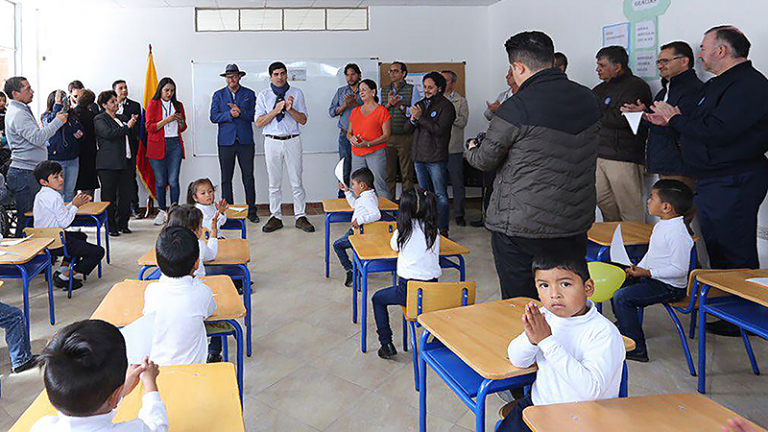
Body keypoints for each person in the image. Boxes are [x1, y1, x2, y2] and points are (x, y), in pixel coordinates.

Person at [649, 26, 768, 337]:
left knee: (736, 250)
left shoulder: (749, 85)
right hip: (713, 178)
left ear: (721, 51)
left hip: (734, 178)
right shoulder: (719, 84)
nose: (699, 53)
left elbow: (719, 130)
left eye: (703, 48)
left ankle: (745, 317)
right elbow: (700, 123)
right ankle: (727, 308)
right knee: (717, 247)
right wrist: (674, 118)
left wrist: (675, 119)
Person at [465, 31, 603, 300]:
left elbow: (484, 160)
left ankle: (531, 343)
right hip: (573, 222)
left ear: (518, 67)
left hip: (521, 225)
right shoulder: (589, 99)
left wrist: (471, 150)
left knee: (522, 304)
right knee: (566, 298)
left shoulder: (516, 107)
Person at [497, 251, 626, 432]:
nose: (554, 294)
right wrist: (531, 340)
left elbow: (591, 391)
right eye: (544, 285)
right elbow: (518, 360)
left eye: (565, 284)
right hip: (539, 406)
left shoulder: (604, 333)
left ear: (588, 288)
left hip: (584, 420)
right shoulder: (546, 316)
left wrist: (547, 341)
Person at [31, 320, 169, 432]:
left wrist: (121, 390)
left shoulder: (41, 426)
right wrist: (149, 381)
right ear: (114, 397)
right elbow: (157, 426)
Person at [612, 179, 694, 363]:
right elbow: (652, 254)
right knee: (618, 280)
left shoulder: (678, 233)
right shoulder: (663, 225)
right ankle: (625, 326)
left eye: (652, 197)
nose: (648, 201)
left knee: (622, 297)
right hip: (655, 278)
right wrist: (637, 268)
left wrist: (647, 273)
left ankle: (637, 348)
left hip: (670, 287)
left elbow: (679, 270)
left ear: (666, 207)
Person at [621, 41, 703, 226]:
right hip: (665, 162)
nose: (660, 66)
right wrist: (643, 116)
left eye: (665, 61)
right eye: (658, 62)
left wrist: (664, 119)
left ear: (684, 61)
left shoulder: (694, 90)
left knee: (679, 219)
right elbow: (659, 123)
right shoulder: (665, 90)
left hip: (681, 163)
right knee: (668, 219)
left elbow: (688, 126)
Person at [373, 187, 440, 359]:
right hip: (434, 292)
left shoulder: (403, 233)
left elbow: (394, 246)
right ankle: (437, 341)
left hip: (408, 291)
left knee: (377, 299)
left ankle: (386, 344)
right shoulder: (434, 232)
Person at [593, 45, 653, 223]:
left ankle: (635, 248)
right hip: (598, 155)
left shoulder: (637, 86)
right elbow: (586, 115)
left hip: (623, 156)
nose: (598, 69)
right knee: (604, 203)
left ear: (617, 66)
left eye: (602, 65)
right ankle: (615, 247)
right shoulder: (598, 89)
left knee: (630, 208)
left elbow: (624, 120)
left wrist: (597, 114)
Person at [4, 76, 67, 238]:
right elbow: (38, 138)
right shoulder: (18, 114)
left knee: (32, 218)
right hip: (24, 173)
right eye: (28, 89)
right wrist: (57, 122)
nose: (32, 92)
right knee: (28, 220)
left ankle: (36, 256)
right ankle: (21, 258)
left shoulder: (21, 110)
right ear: (15, 93)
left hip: (28, 170)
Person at [143, 226, 216, 365]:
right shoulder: (202, 292)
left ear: (157, 263)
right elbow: (210, 310)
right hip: (193, 374)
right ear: (197, 263)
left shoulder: (151, 291)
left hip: (157, 372)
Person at [256, 61, 314, 233]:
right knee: (274, 183)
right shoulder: (264, 95)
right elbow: (259, 122)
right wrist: (275, 110)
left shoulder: (296, 93)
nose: (280, 77)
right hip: (272, 141)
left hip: (292, 140)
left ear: (286, 74)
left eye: (282, 73)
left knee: (296, 181)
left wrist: (289, 110)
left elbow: (303, 120)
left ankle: (300, 216)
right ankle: (276, 216)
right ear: (270, 76)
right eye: (276, 74)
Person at [33, 160, 105, 290]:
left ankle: (63, 268)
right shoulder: (54, 197)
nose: (61, 179)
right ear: (44, 182)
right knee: (98, 252)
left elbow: (59, 214)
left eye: (61, 175)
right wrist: (75, 206)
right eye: (55, 177)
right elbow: (64, 222)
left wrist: (73, 204)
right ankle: (65, 276)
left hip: (44, 240)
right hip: (56, 242)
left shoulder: (41, 195)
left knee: (80, 236)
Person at [405, 72, 456, 237]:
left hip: (435, 157)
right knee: (423, 194)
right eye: (425, 87)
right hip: (418, 156)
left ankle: (442, 229)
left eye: (430, 87)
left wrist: (420, 118)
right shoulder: (420, 104)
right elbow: (407, 129)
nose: (426, 90)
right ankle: (427, 226)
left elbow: (439, 131)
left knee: (440, 194)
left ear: (439, 88)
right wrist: (413, 119)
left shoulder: (447, 106)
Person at [210, 64, 259, 223]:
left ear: (239, 77)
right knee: (226, 178)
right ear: (226, 78)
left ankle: (251, 211)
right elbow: (213, 117)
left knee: (248, 177)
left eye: (235, 76)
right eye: (229, 76)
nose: (232, 79)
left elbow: (254, 116)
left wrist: (241, 112)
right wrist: (229, 114)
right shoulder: (218, 95)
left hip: (245, 142)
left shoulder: (249, 94)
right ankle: (227, 213)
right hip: (225, 142)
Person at [475, 68, 518, 228]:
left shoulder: (523, 97)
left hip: (512, 148)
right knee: (490, 184)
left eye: (510, 74)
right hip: (496, 144)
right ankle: (486, 217)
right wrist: (492, 110)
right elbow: (487, 115)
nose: (506, 76)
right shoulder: (503, 95)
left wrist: (500, 111)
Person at [95, 90, 137, 236]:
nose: (116, 103)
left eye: (116, 100)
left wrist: (130, 125)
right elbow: (109, 134)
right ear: (104, 104)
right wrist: (127, 127)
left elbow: (130, 135)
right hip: (108, 164)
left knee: (126, 195)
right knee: (109, 197)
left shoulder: (123, 117)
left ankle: (123, 223)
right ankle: (110, 226)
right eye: (112, 101)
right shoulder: (100, 119)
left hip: (125, 161)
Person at [146, 77, 187, 226]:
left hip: (174, 143)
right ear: (160, 91)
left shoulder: (178, 105)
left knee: (173, 180)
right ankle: (162, 211)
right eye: (167, 90)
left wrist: (180, 121)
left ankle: (175, 212)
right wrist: (167, 120)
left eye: (172, 90)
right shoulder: (153, 104)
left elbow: (183, 128)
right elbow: (150, 127)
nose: (169, 93)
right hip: (157, 145)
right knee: (161, 181)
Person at [334, 167, 381, 287]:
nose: (352, 186)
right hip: (356, 231)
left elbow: (376, 214)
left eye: (353, 184)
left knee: (337, 245)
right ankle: (356, 268)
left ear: (362, 185)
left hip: (359, 234)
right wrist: (347, 192)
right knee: (344, 244)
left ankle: (350, 270)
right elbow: (355, 205)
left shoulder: (368, 199)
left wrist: (360, 220)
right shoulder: (366, 196)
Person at [381, 61, 421, 199]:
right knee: (388, 174)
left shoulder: (412, 89)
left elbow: (415, 112)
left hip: (405, 137)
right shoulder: (383, 90)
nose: (392, 73)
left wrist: (399, 106)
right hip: (387, 137)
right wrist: (388, 104)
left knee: (406, 174)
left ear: (403, 73)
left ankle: (407, 206)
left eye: (395, 71)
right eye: (390, 71)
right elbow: (379, 113)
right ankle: (389, 206)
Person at [347, 79, 391, 199]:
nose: (361, 93)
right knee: (356, 185)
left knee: (379, 183)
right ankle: (358, 213)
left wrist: (368, 144)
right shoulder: (355, 111)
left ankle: (386, 214)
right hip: (357, 153)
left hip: (375, 152)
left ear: (373, 92)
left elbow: (386, 135)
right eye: (360, 90)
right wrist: (352, 139)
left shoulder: (382, 111)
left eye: (364, 90)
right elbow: (349, 133)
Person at [41, 89, 83, 202]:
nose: (65, 104)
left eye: (66, 101)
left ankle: (69, 217)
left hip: (73, 158)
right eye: (61, 101)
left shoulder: (72, 116)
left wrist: (79, 132)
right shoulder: (47, 116)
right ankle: (58, 218)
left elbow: (76, 129)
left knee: (70, 192)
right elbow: (52, 123)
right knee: (58, 192)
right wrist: (58, 106)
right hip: (56, 159)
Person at [329, 63, 363, 197]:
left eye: (353, 74)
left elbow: (370, 109)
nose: (350, 77)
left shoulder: (365, 90)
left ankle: (360, 198)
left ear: (359, 75)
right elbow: (331, 112)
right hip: (345, 136)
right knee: (344, 167)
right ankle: (342, 197)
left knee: (360, 169)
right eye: (347, 75)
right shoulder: (341, 92)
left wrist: (355, 103)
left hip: (362, 136)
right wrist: (344, 105)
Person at [441, 70, 469, 227]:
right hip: (437, 149)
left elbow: (463, 121)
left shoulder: (460, 101)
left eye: (446, 80)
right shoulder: (433, 99)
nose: (443, 83)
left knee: (457, 183)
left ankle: (459, 214)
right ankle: (441, 214)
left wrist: (447, 115)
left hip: (454, 148)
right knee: (439, 184)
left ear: (453, 83)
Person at [113, 80, 143, 217]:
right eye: (121, 88)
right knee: (116, 181)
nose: (124, 90)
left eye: (125, 87)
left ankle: (134, 207)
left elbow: (138, 128)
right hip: (113, 149)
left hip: (130, 147)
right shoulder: (108, 106)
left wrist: (130, 126)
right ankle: (117, 210)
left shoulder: (135, 106)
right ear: (114, 91)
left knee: (131, 178)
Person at [165, 204, 218, 278]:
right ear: (193, 231)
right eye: (200, 226)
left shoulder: (165, 245)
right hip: (198, 283)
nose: (202, 228)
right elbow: (211, 256)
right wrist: (214, 230)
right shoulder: (199, 244)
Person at [74, 90, 100, 197]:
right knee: (89, 188)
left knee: (71, 187)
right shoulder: (94, 116)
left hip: (75, 154)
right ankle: (89, 212)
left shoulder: (71, 114)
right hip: (90, 153)